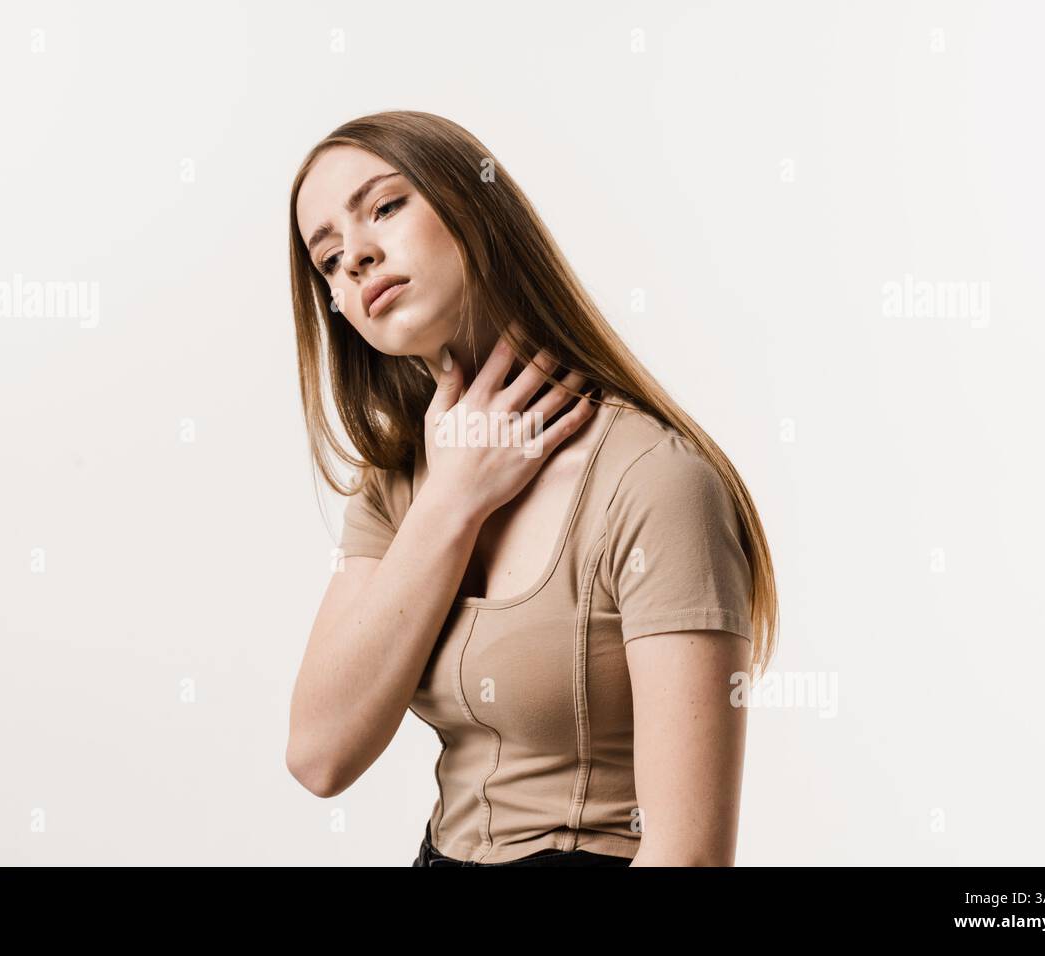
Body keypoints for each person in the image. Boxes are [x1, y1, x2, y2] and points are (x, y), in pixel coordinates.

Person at [286, 110, 779, 866]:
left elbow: (689, 857)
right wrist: (451, 502)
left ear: (474, 205)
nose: (354, 257)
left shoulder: (655, 481)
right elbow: (320, 756)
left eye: (383, 207)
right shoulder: (398, 482)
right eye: (327, 259)